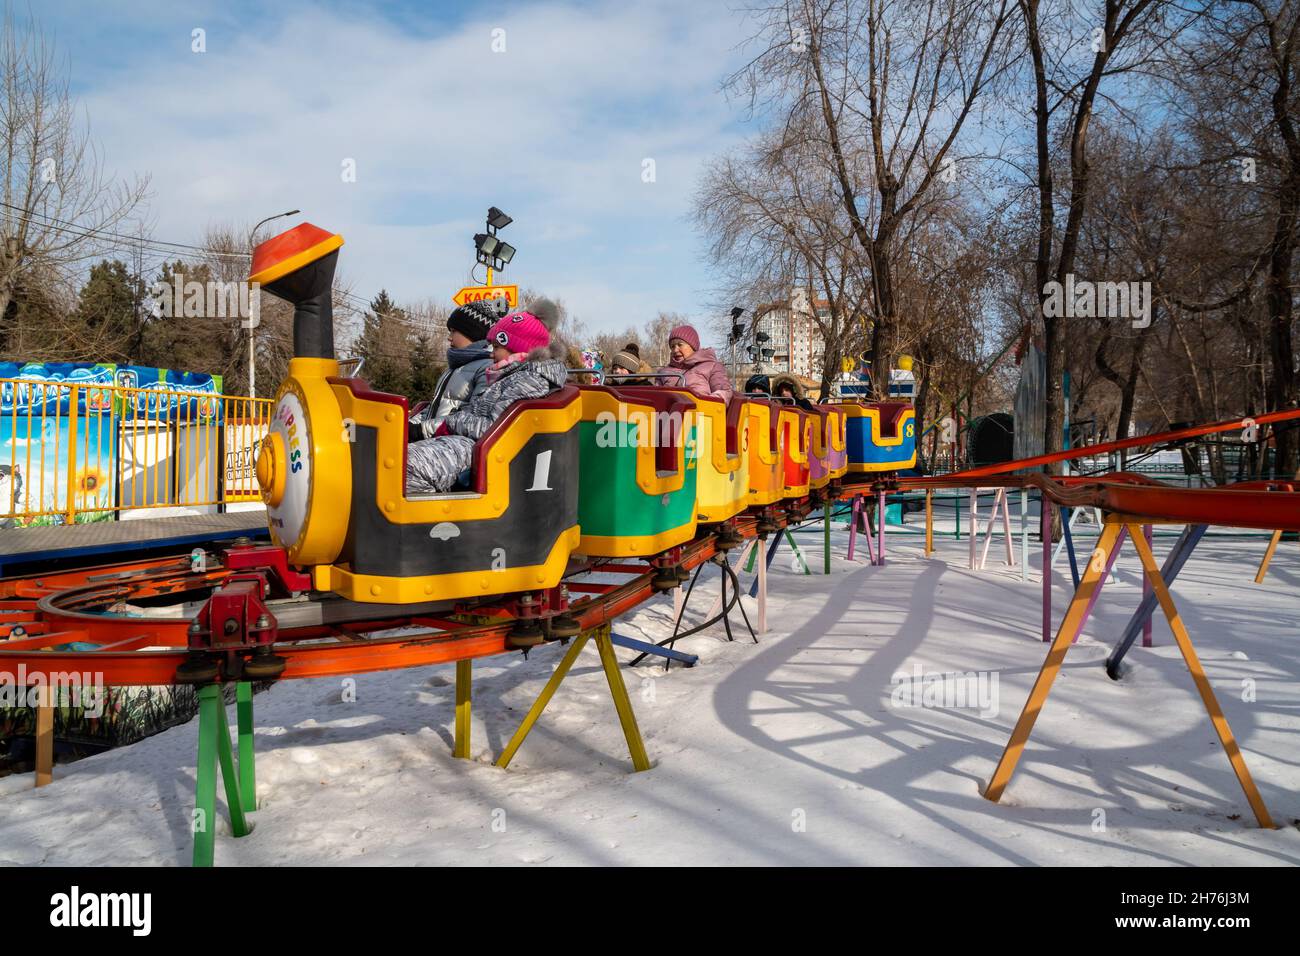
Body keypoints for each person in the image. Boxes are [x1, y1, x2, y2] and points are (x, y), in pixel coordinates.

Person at [406, 301, 567, 494]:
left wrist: (449, 423)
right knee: (395, 458)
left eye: (496, 347)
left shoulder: (527, 381)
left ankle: (438, 522)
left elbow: (493, 428)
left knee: (407, 466)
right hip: (470, 442)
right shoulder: (509, 377)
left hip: (481, 448)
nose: (491, 354)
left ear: (517, 348)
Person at [408, 300, 497, 442]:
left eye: (454, 331)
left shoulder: (488, 369)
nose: (449, 337)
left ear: (473, 333)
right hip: (433, 438)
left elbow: (472, 416)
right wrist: (410, 425)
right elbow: (435, 407)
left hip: (455, 446)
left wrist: (421, 430)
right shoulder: (454, 368)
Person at [657, 324, 733, 401]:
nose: (675, 350)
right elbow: (656, 398)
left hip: (700, 411)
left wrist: (703, 403)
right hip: (667, 412)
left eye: (680, 345)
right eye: (672, 346)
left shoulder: (712, 366)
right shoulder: (663, 372)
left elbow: (724, 393)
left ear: (692, 346)